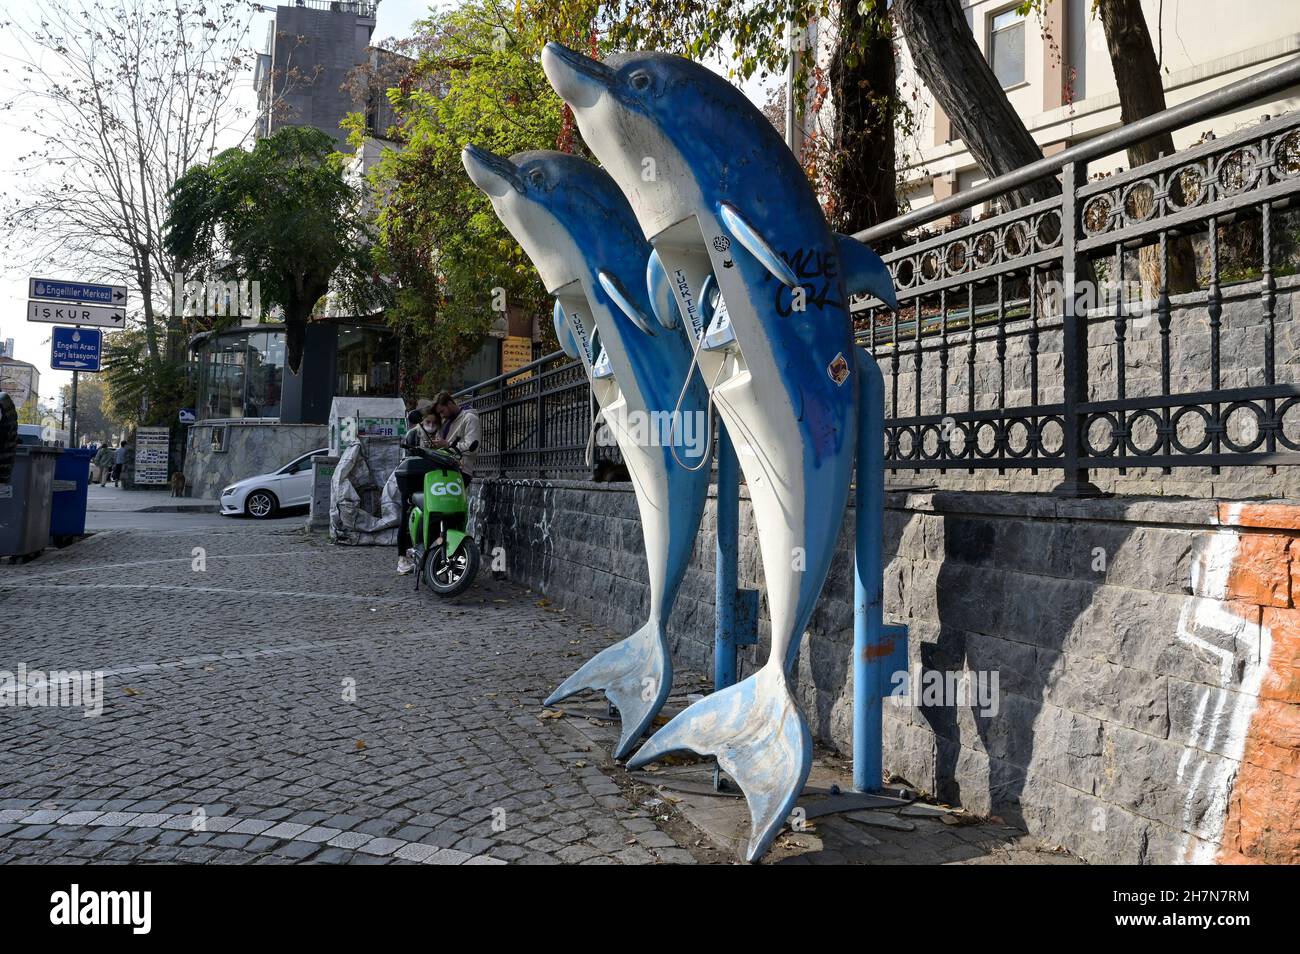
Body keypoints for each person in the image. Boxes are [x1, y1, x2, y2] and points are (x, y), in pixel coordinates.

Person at [393, 407, 441, 575]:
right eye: (428, 422)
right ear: (422, 421)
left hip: (433, 482)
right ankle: (402, 558)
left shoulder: (441, 436)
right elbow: (406, 460)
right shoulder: (413, 434)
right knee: (406, 516)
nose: (431, 425)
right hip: (411, 481)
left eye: (435, 423)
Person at [430, 391, 480, 483]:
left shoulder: (470, 418)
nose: (442, 415)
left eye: (442, 411)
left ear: (450, 404)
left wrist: (447, 445)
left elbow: (472, 448)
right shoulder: (446, 422)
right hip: (443, 468)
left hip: (460, 471)